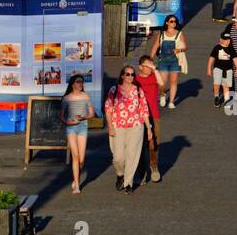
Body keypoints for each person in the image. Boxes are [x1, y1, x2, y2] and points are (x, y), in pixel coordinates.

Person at [104, 65, 152, 193]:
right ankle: (120, 174)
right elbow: (108, 109)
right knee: (118, 157)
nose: (130, 77)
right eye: (127, 74)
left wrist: (149, 128)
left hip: (136, 126)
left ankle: (128, 183)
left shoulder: (138, 91)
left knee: (132, 155)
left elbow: (144, 110)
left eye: (132, 74)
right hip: (117, 126)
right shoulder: (114, 90)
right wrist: (110, 127)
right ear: (122, 76)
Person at [61, 73, 94, 194]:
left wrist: (84, 117)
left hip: (82, 127)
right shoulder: (67, 98)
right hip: (71, 128)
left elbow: (91, 114)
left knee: (81, 159)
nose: (80, 84)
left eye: (82, 82)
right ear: (73, 84)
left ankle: (76, 179)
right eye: (78, 82)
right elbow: (62, 116)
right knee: (75, 156)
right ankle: (77, 185)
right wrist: (67, 122)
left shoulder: (86, 96)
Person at [136, 55, 163, 183]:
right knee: (140, 144)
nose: (150, 67)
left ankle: (154, 166)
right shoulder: (135, 79)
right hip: (139, 117)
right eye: (147, 65)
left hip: (153, 115)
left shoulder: (153, 77)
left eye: (151, 64)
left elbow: (162, 84)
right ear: (140, 67)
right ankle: (141, 171)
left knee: (154, 143)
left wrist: (155, 69)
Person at [151, 15, 187, 109]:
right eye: (171, 21)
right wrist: (150, 59)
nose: (174, 23)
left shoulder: (179, 33)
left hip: (175, 61)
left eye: (175, 21)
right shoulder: (161, 34)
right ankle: (162, 95)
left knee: (174, 82)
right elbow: (155, 46)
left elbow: (185, 47)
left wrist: (179, 50)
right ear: (167, 22)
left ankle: (171, 102)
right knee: (162, 83)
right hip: (163, 60)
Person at [207, 29, 237, 108]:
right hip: (218, 68)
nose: (227, 41)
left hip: (228, 69)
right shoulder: (217, 48)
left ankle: (226, 100)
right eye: (225, 40)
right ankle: (216, 97)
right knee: (217, 83)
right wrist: (209, 68)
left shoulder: (231, 48)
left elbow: (235, 58)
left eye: (228, 39)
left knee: (226, 85)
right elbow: (211, 58)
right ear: (221, 39)